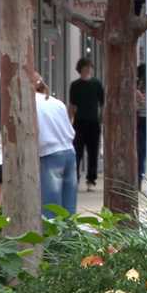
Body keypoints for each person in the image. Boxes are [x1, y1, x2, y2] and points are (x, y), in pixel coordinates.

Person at [36, 74, 78, 217]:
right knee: (69, 206)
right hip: (69, 151)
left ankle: (53, 238)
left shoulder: (30, 104)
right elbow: (69, 128)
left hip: (48, 154)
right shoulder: (57, 102)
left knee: (51, 208)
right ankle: (70, 237)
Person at [68, 57, 105, 192]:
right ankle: (75, 178)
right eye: (86, 67)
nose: (88, 69)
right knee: (77, 152)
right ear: (80, 69)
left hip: (94, 122)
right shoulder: (75, 85)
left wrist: (102, 118)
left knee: (93, 152)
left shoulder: (96, 84)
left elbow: (102, 103)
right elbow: (72, 105)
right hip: (79, 122)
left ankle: (91, 179)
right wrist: (69, 121)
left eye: (90, 67)